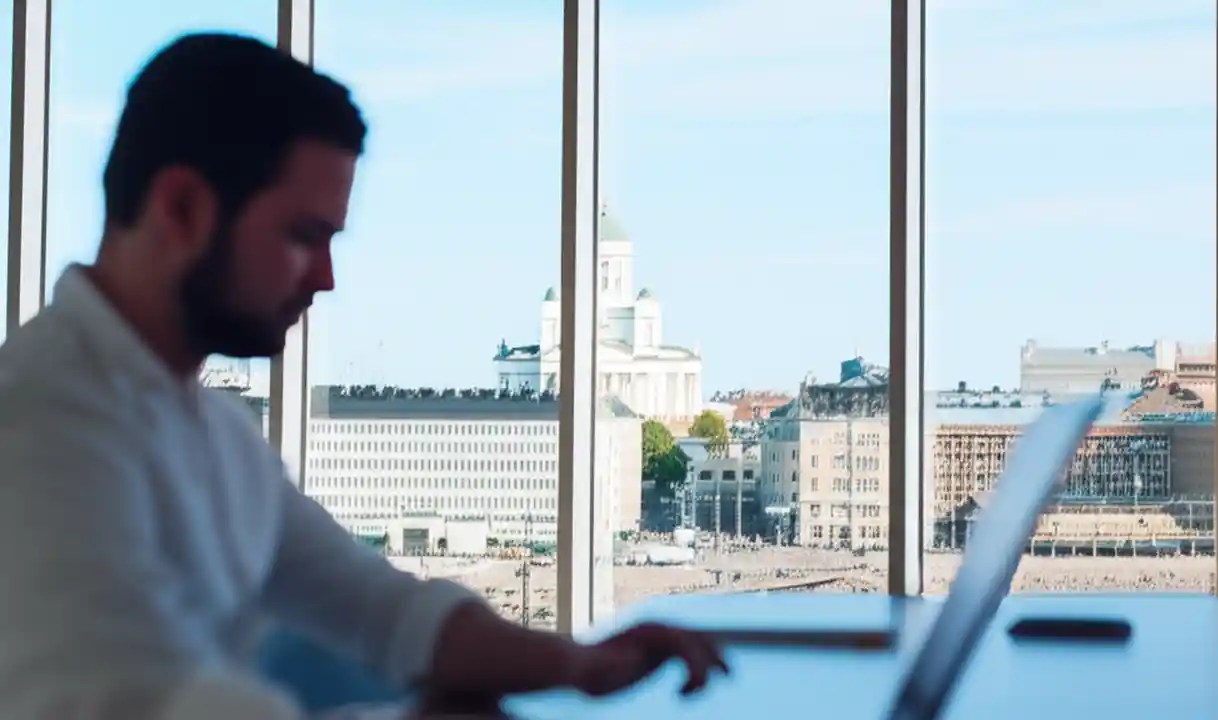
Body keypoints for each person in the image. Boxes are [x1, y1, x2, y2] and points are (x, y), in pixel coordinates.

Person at [0, 33, 727, 719]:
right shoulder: (41, 418)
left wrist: (577, 664)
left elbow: (380, 607)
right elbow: (140, 701)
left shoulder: (203, 426)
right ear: (182, 207)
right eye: (303, 236)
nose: (326, 278)